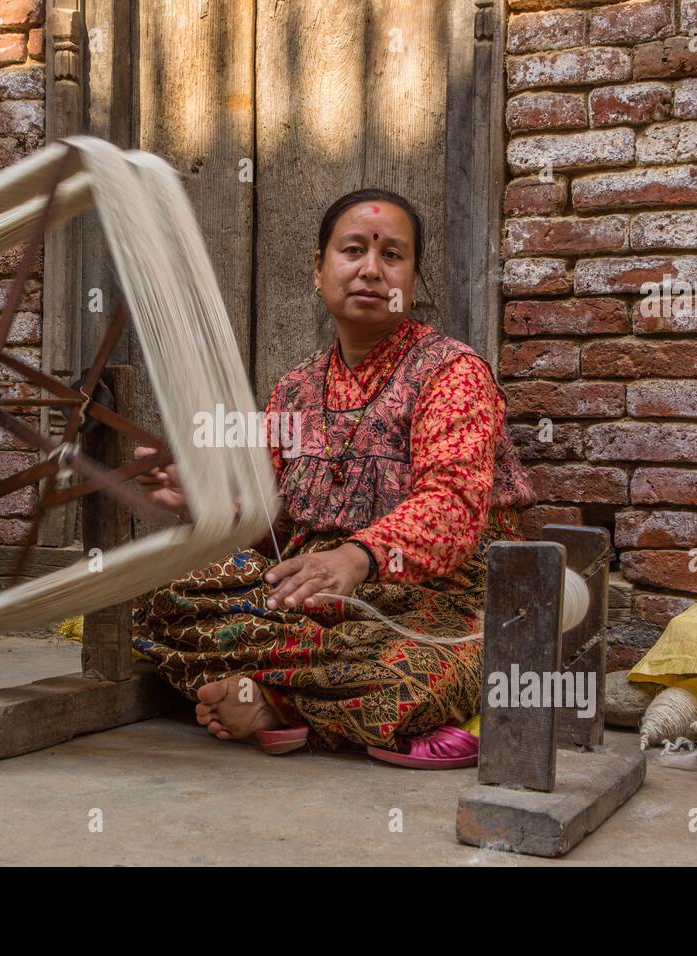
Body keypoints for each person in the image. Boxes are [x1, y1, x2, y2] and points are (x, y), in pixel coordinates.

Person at [131, 188, 536, 767]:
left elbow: (450, 507)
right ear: (317, 270)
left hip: (441, 596)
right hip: (315, 591)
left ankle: (275, 702)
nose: (371, 269)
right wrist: (202, 503)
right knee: (161, 598)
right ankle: (314, 704)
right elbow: (269, 522)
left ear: (413, 284)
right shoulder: (295, 388)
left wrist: (355, 559)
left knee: (428, 669)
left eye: (392, 255)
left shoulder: (452, 373)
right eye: (352, 251)